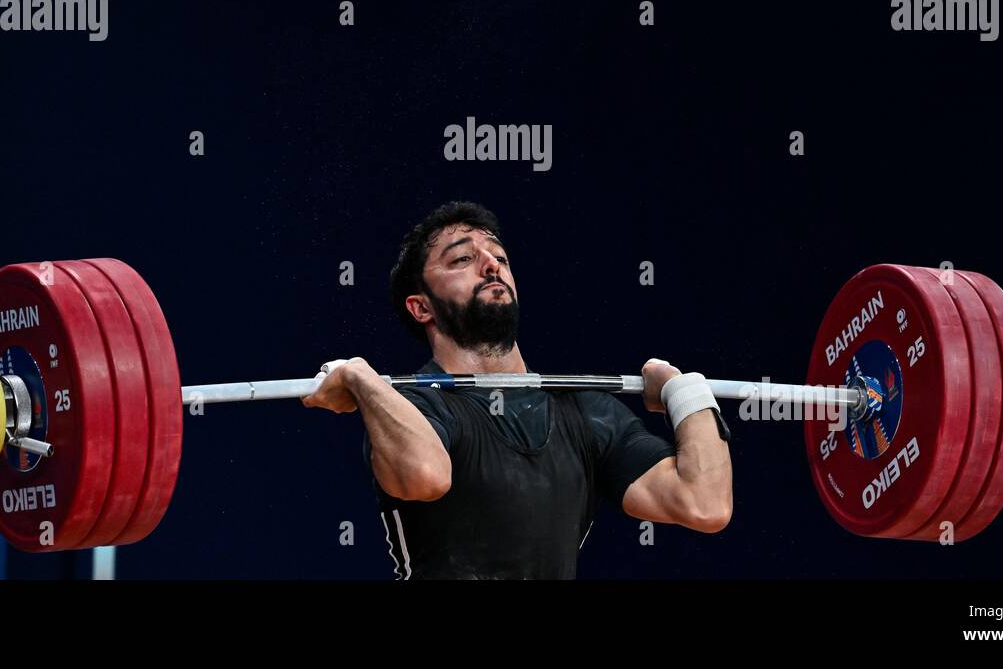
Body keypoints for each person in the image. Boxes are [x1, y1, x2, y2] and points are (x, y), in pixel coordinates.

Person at [301, 201, 732, 578]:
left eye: (500, 258)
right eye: (462, 260)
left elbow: (704, 504)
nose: (491, 265)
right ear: (421, 306)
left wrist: (684, 392)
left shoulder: (587, 413)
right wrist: (361, 378)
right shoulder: (414, 404)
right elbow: (425, 477)